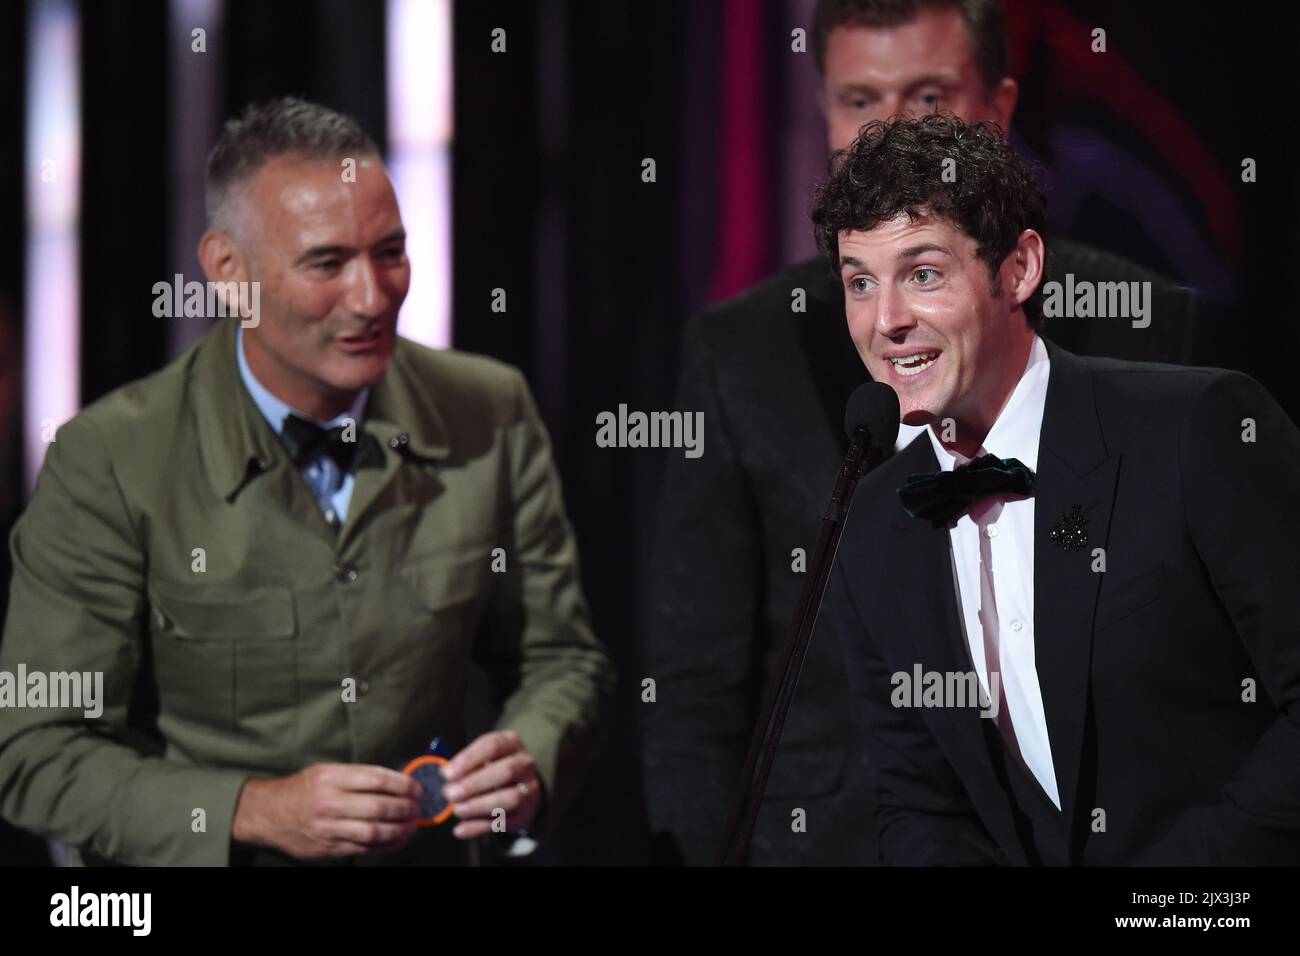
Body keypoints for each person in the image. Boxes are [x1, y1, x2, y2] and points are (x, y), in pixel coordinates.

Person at [643, 0, 1197, 866]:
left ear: (1000, 106)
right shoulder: (742, 352)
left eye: (929, 99)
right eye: (860, 101)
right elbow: (692, 689)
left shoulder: (1148, 329)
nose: (889, 136)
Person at [0, 97, 615, 866]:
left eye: (390, 252)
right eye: (328, 263)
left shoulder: (488, 410)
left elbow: (560, 660)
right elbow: (35, 750)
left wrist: (529, 760)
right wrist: (251, 811)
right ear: (229, 273)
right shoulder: (109, 461)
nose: (372, 296)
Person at [812, 113, 1300, 865]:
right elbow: (918, 803)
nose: (888, 322)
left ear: (1019, 269)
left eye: (924, 274)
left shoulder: (1196, 429)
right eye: (859, 283)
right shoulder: (873, 524)